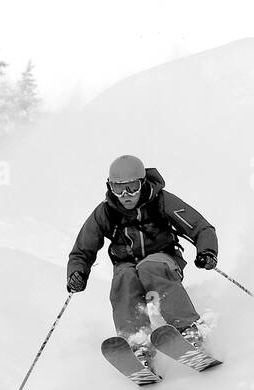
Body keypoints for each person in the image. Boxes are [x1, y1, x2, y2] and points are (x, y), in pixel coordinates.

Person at [66, 155, 218, 369]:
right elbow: (82, 250)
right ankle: (138, 345)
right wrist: (77, 273)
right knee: (124, 278)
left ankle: (189, 331)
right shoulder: (106, 212)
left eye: (132, 187)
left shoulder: (161, 201)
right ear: (110, 187)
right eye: (119, 189)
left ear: (143, 183)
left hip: (164, 258)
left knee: (150, 267)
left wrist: (207, 251)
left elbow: (200, 227)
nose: (126, 195)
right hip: (126, 263)